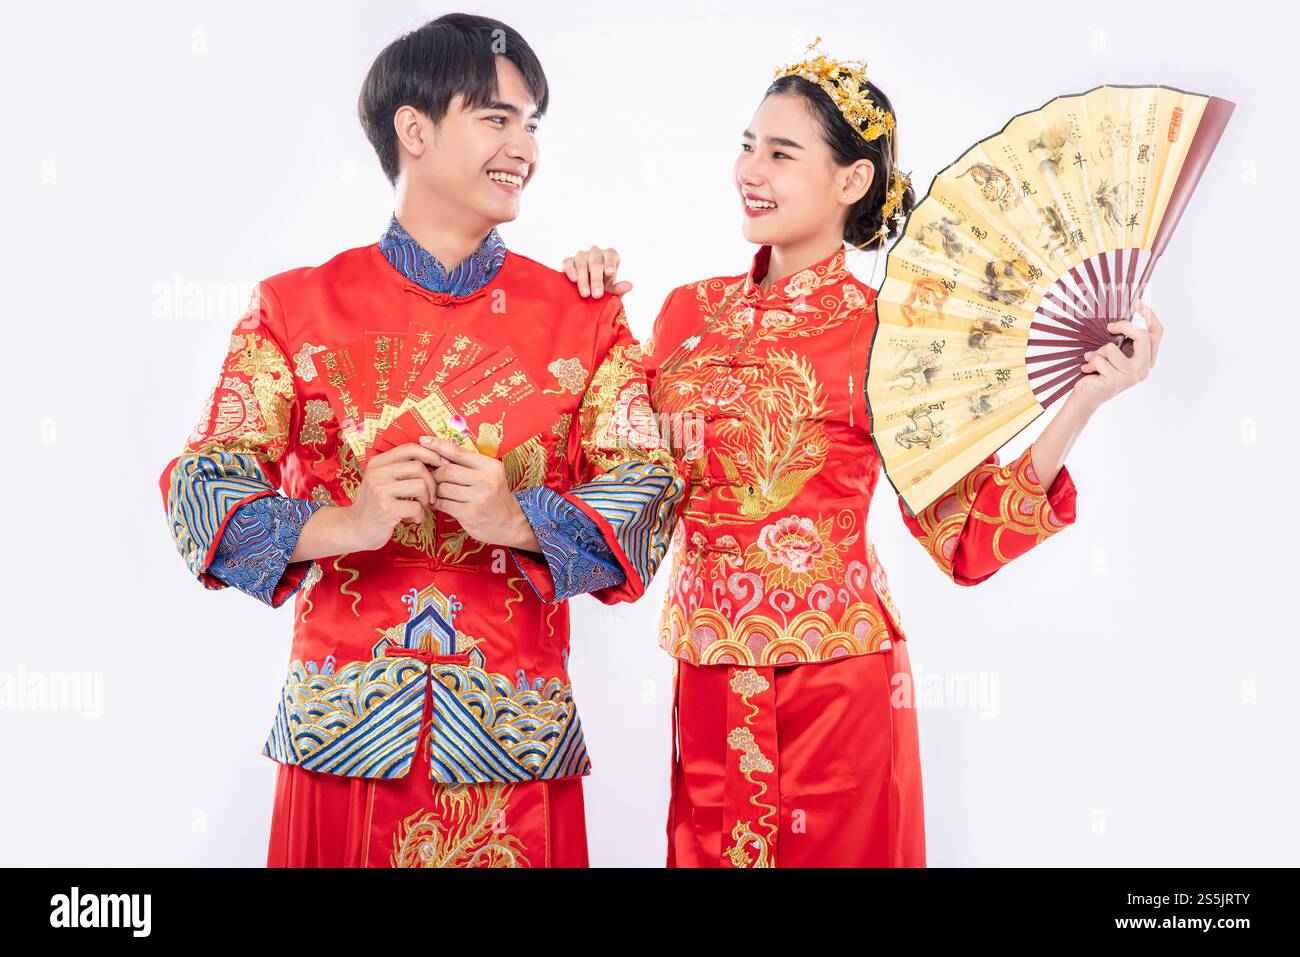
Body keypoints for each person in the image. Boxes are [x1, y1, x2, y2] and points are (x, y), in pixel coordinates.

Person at [564, 39, 1163, 867]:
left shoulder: (887, 333)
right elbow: (613, 450)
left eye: (781, 152)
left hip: (837, 678)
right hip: (708, 673)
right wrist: (585, 308)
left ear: (851, 180)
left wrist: (1083, 400)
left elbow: (964, 530)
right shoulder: (684, 313)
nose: (752, 169)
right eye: (746, 145)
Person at [158, 13, 681, 868]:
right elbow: (198, 484)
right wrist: (344, 526)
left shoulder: (581, 316)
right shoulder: (295, 308)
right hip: (342, 740)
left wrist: (514, 516)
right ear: (415, 129)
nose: (524, 147)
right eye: (497, 119)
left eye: (532, 124)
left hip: (515, 742)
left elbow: (650, 490)